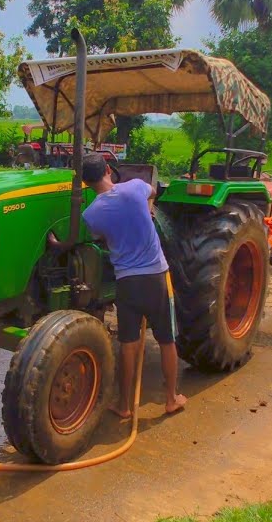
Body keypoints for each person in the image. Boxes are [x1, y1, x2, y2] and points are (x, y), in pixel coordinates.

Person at [51, 153, 186, 417]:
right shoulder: (135, 188)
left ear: (85, 183)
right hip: (156, 277)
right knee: (167, 340)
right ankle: (171, 399)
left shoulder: (91, 214)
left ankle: (124, 405)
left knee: (128, 343)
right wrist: (146, 208)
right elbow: (152, 191)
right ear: (108, 170)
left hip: (127, 282)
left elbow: (99, 236)